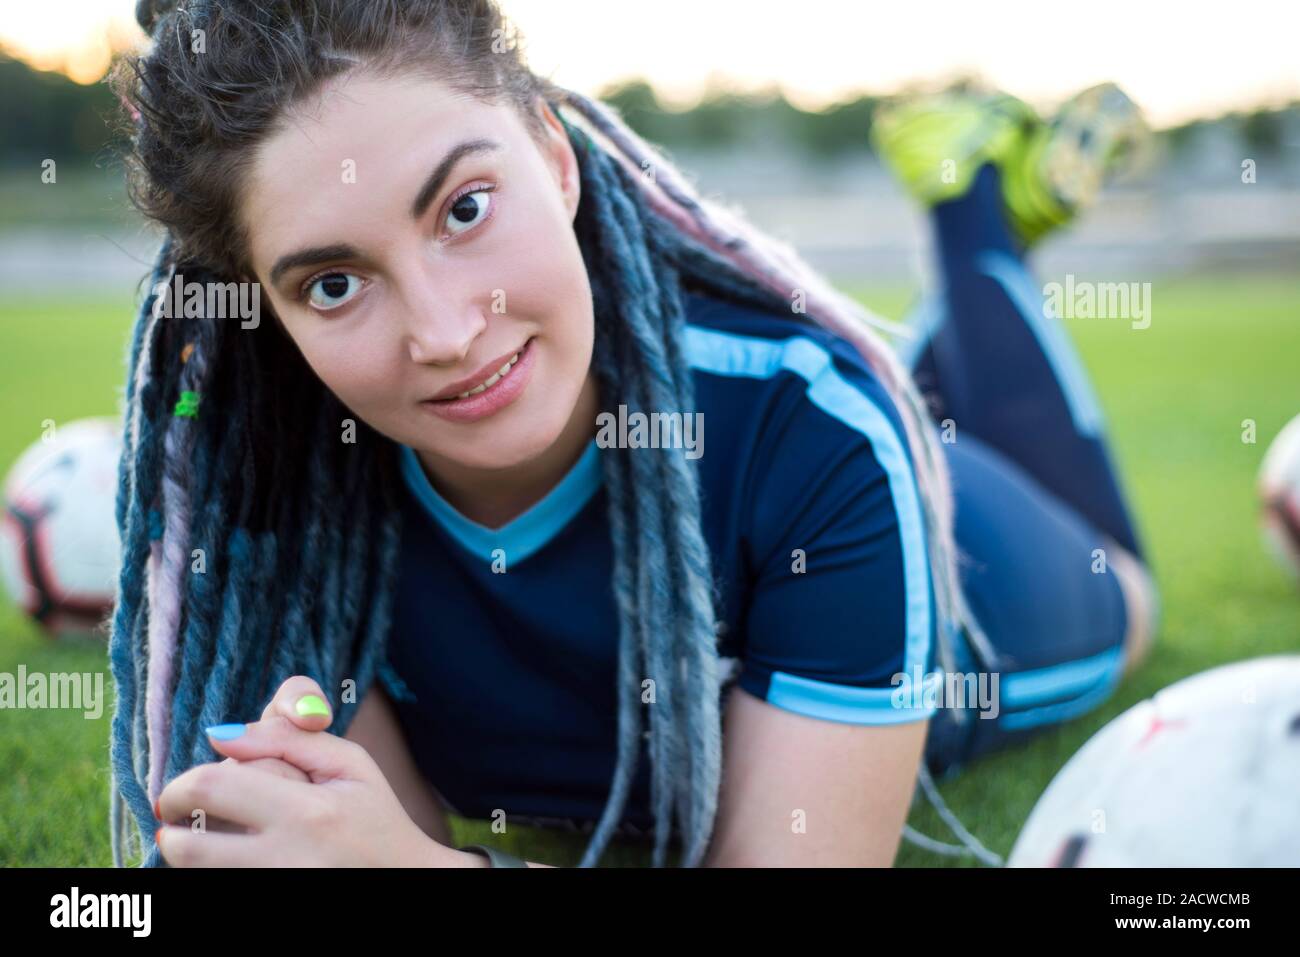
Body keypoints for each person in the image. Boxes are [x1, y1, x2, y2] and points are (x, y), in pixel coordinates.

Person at [111, 0, 1156, 868]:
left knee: (1126, 582)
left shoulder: (814, 434)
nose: (441, 333)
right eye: (333, 283)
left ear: (555, 162)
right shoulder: (265, 497)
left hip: (978, 557)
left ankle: (969, 205)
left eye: (465, 208)